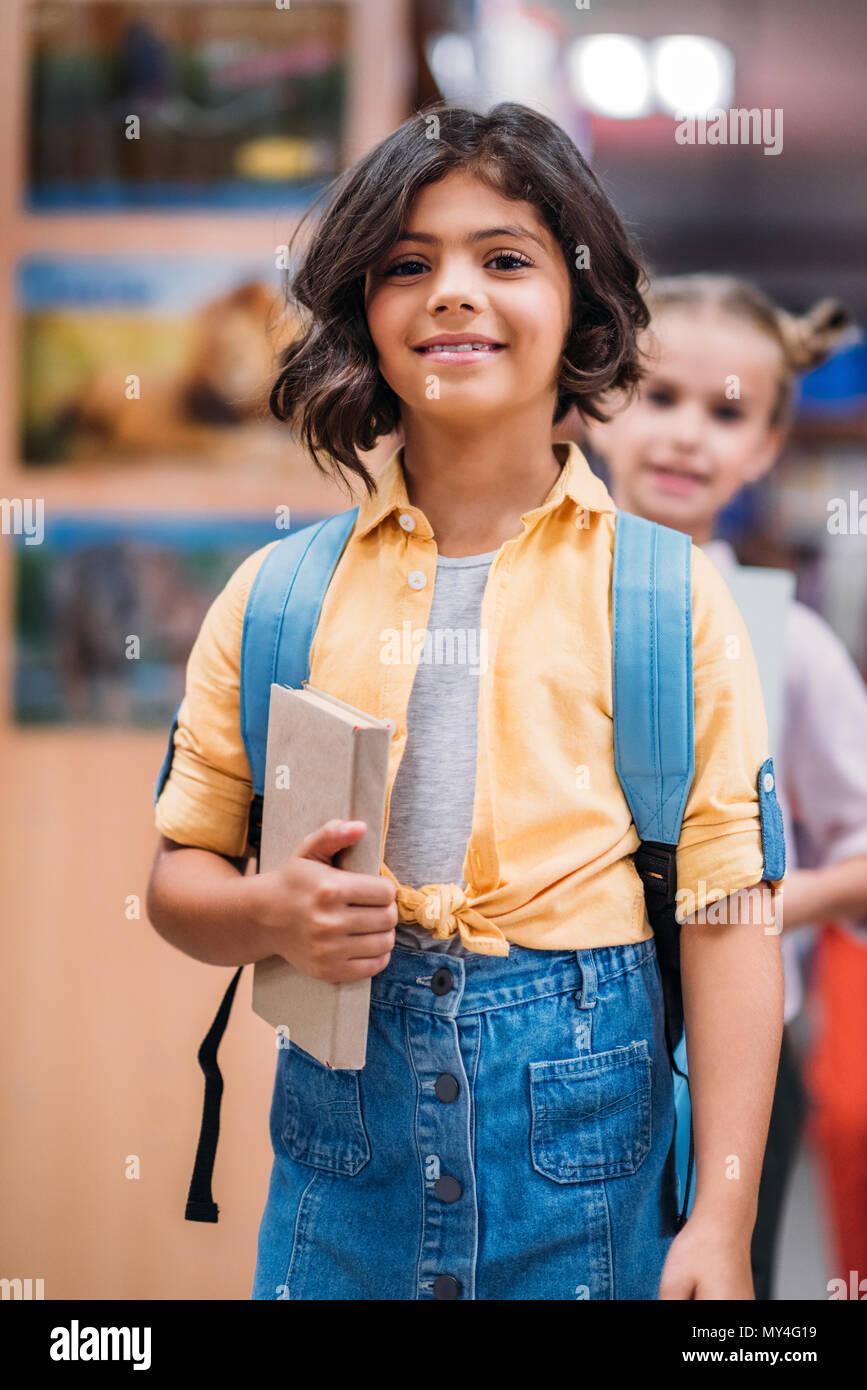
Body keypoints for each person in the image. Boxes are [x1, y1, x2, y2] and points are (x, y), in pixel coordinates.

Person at [146, 104, 784, 1301]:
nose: (452, 293)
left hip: (590, 1191)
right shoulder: (278, 594)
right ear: (363, 316)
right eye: (407, 264)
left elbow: (729, 919)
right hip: (340, 1187)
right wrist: (270, 914)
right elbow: (177, 884)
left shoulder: (665, 597)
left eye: (504, 258)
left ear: (581, 310)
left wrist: (725, 1218)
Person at [585, 272, 867, 1298]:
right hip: (547, 1059)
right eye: (660, 397)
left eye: (726, 412)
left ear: (765, 448)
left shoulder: (787, 642)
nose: (687, 435)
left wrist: (756, 911)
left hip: (736, 1069)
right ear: (599, 402)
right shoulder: (534, 610)